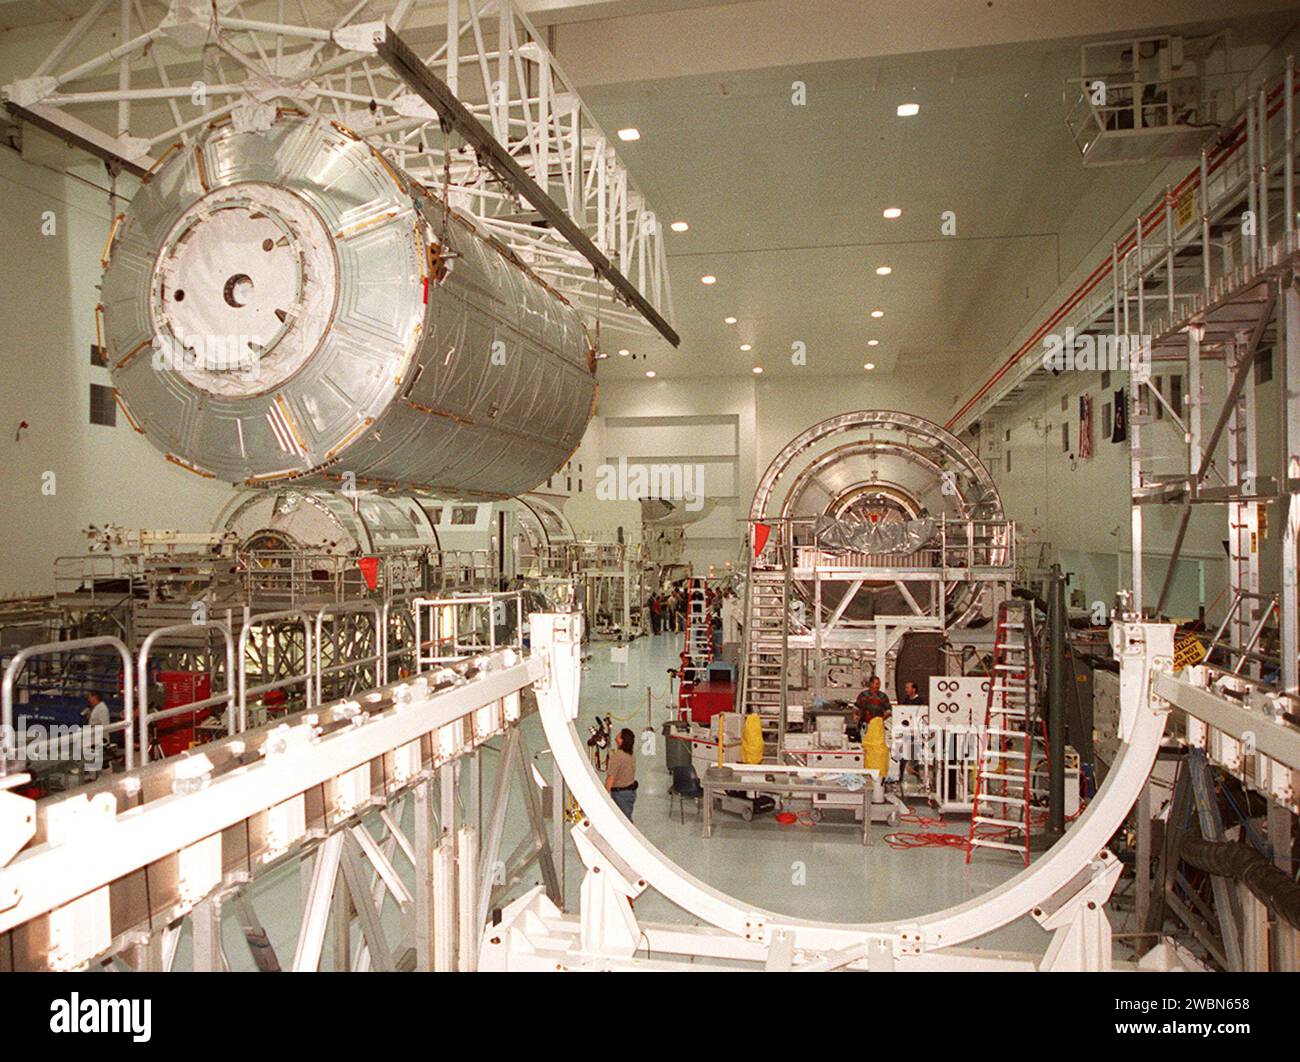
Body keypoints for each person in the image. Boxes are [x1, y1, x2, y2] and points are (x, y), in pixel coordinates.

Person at [606, 727, 638, 820]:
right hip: (630, 792)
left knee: (622, 821)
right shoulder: (630, 754)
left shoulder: (617, 756)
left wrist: (605, 795)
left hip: (620, 794)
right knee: (626, 818)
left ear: (621, 740)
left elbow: (611, 778)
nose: (617, 735)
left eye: (619, 734)